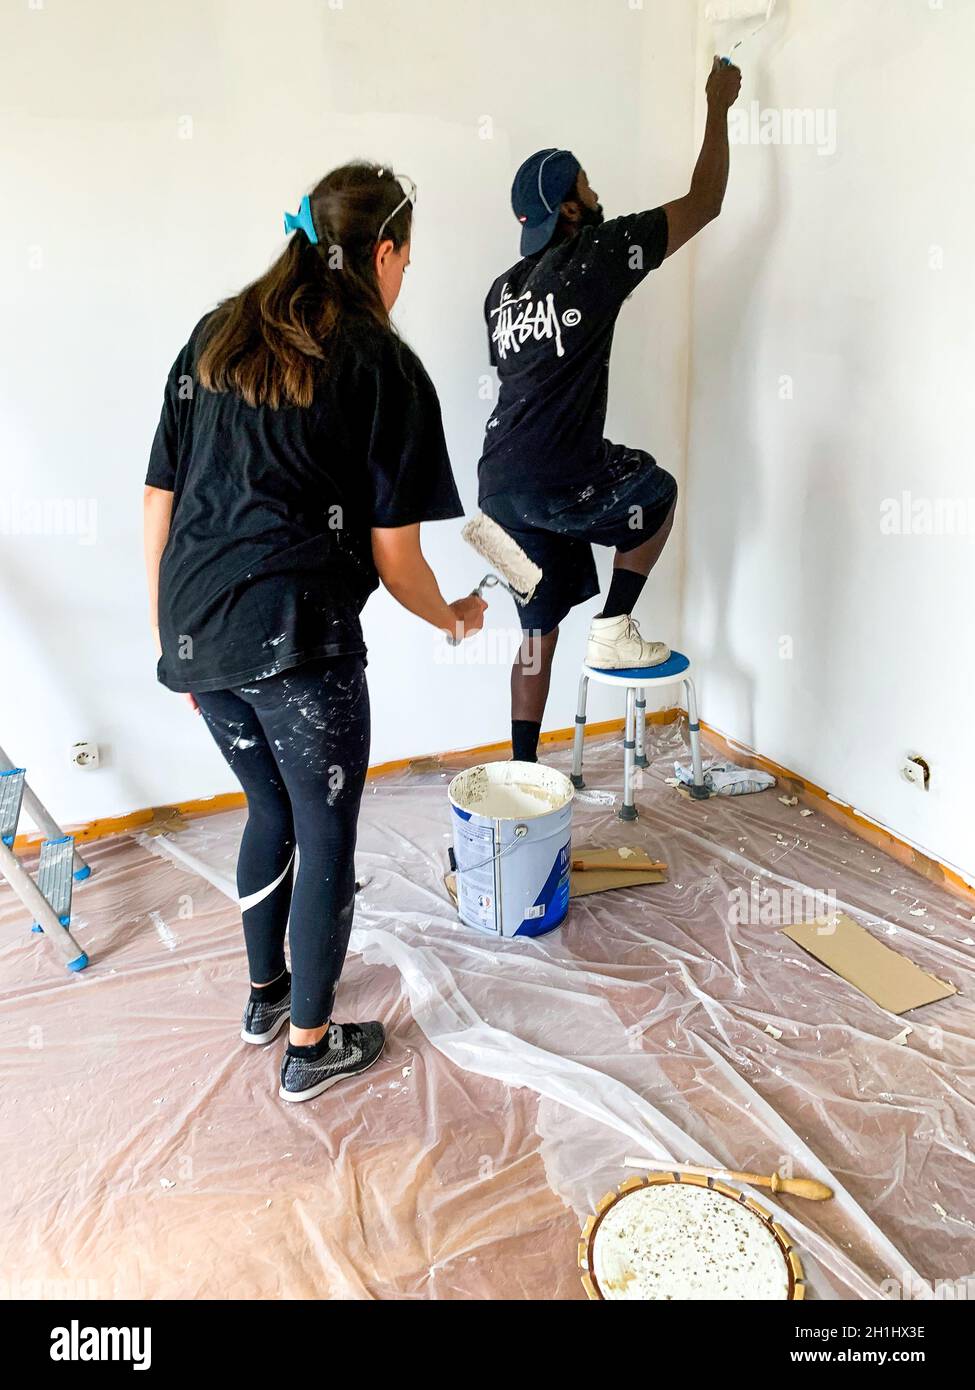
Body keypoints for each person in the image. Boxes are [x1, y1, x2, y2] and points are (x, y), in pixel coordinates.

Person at [143, 163, 486, 1102]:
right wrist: (454, 614)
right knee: (325, 835)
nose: (404, 280)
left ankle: (265, 1000)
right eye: (406, 261)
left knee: (270, 812)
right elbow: (394, 557)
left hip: (198, 631)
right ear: (381, 252)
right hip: (298, 639)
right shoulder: (383, 364)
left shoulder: (218, 333)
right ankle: (309, 1045)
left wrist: (171, 632)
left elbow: (159, 494)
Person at [478, 58, 742, 764]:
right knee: (654, 492)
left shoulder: (501, 292)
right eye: (586, 185)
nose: (596, 193)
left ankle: (523, 778)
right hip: (557, 477)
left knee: (534, 635)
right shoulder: (599, 250)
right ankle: (615, 623)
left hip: (495, 494)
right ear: (568, 206)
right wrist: (718, 105)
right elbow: (705, 201)